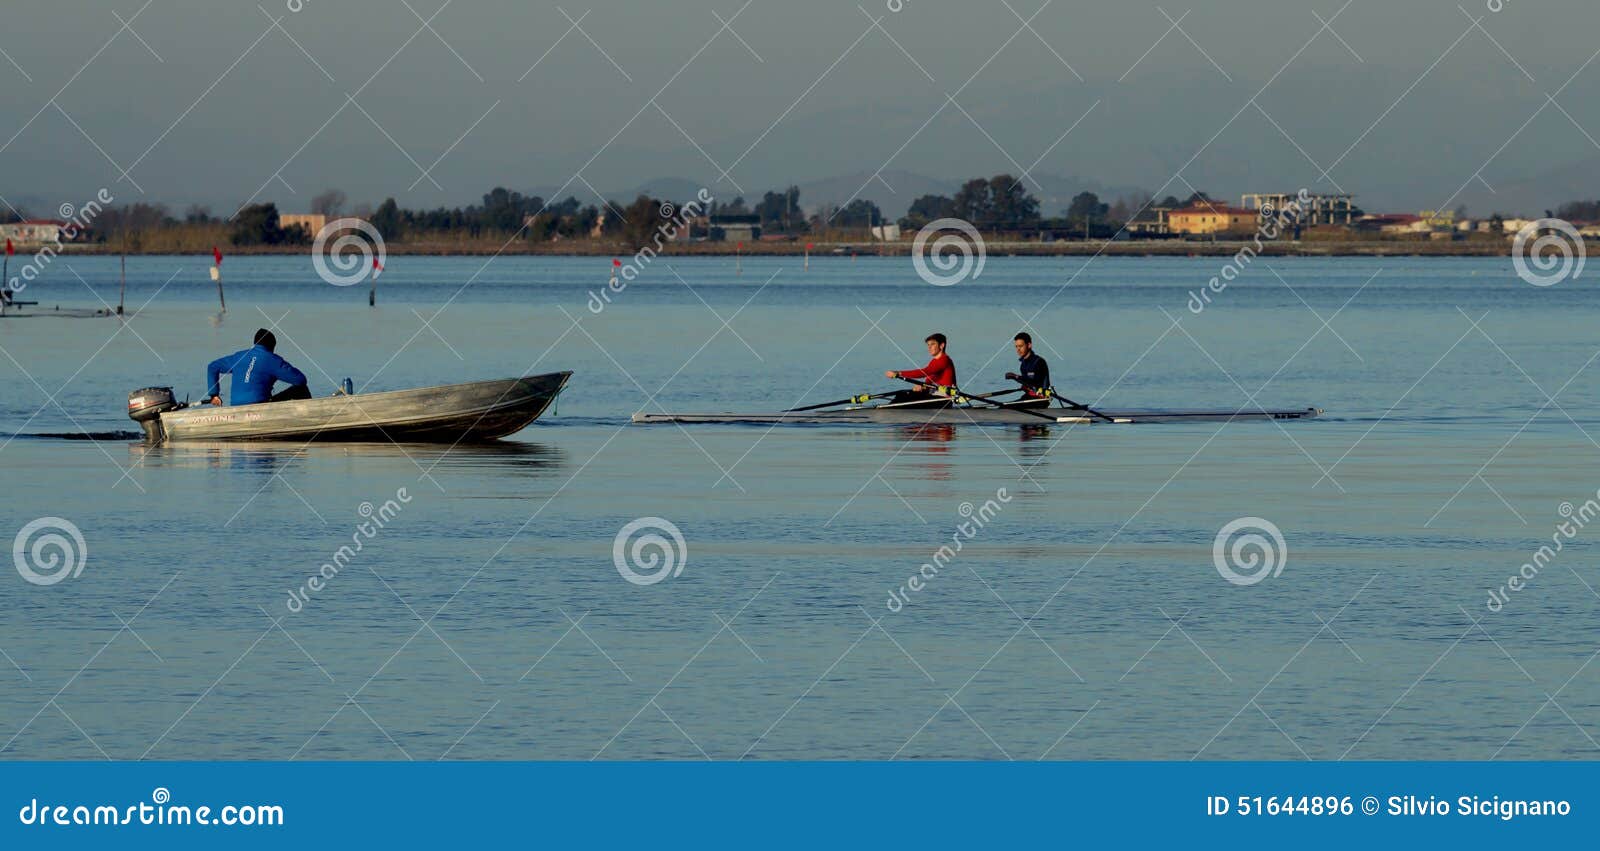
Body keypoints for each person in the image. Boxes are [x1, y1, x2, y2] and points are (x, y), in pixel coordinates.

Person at [206, 328, 310, 406]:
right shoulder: (272, 359)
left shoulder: (239, 356)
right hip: (260, 406)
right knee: (301, 389)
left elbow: (212, 367)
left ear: (255, 343)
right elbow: (300, 380)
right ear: (272, 346)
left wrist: (214, 395)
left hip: (236, 407)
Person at [885, 333, 957, 405]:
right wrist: (923, 387)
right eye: (928, 345)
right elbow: (930, 378)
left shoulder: (944, 360)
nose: (929, 348)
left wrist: (899, 373)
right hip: (935, 395)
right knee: (902, 394)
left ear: (941, 345)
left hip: (944, 399)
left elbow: (924, 372)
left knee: (905, 397)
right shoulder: (934, 361)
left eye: (932, 344)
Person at [1004, 332, 1052, 408]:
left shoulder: (1039, 362)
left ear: (1029, 345)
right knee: (1004, 406)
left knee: (1006, 407)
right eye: (1016, 347)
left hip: (1040, 399)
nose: (1018, 349)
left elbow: (1034, 383)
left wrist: (1016, 377)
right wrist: (1024, 386)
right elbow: (1027, 382)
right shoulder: (1023, 365)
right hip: (1030, 397)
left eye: (1020, 346)